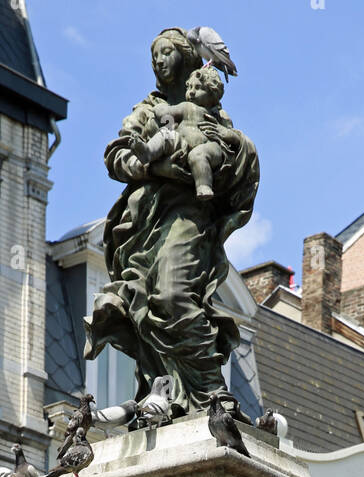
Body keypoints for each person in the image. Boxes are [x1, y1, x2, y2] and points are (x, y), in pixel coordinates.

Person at [84, 27, 259, 415]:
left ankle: (212, 394)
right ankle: (171, 394)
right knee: (148, 306)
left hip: (189, 214)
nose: (158, 61)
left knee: (173, 295)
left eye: (166, 53)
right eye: (154, 56)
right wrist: (149, 165)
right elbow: (118, 154)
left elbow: (236, 158)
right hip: (143, 223)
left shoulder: (213, 111)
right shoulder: (148, 108)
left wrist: (189, 163)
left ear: (186, 56)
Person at [126, 66, 241, 201]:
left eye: (198, 88)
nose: (191, 92)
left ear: (213, 93)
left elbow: (235, 138)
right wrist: (158, 108)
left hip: (209, 146)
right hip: (183, 145)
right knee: (166, 134)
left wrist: (224, 132)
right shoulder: (186, 106)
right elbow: (166, 113)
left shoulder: (220, 116)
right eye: (189, 87)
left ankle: (203, 185)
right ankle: (148, 151)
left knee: (198, 155)